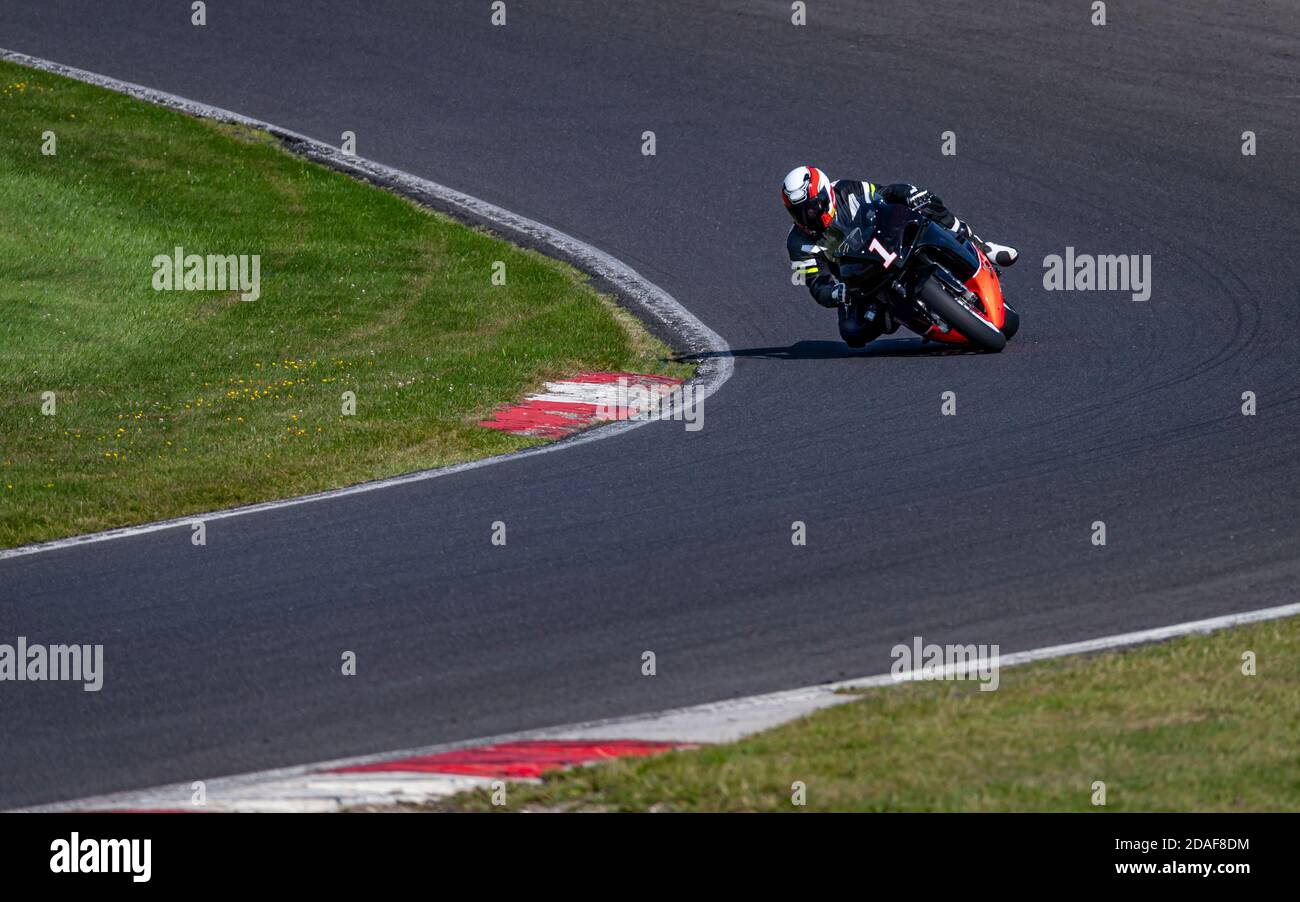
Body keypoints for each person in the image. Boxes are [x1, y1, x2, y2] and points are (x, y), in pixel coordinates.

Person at [782, 165, 1018, 346]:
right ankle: (898, 315)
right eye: (799, 212)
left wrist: (909, 194)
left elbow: (884, 195)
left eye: (813, 207)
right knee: (852, 333)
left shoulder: (847, 190)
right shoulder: (797, 245)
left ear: (826, 193)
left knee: (927, 205)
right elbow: (816, 285)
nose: (808, 216)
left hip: (888, 242)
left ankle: (978, 244)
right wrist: (837, 292)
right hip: (858, 280)